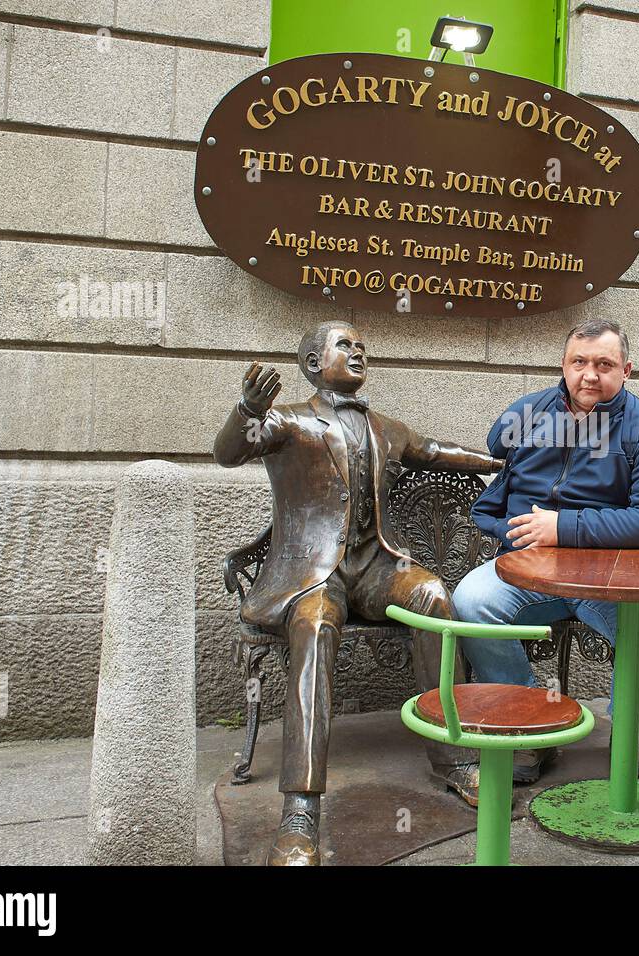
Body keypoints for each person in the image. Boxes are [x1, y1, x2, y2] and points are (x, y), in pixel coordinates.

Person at [213, 319, 504, 865]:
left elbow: (435, 451)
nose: (358, 353)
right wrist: (247, 411)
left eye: (362, 346)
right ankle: (300, 811)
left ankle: (454, 759)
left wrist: (499, 463)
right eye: (344, 345)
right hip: (311, 575)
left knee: (434, 598)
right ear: (313, 363)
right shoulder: (289, 421)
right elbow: (228, 453)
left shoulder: (385, 427)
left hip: (375, 568)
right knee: (315, 625)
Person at [451, 317, 639, 798]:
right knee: (470, 601)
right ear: (563, 365)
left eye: (604, 364)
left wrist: (563, 527)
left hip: (608, 577)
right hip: (529, 568)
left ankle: (635, 727)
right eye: (579, 362)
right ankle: (533, 720)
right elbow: (496, 444)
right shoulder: (534, 412)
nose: (589, 375)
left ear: (626, 370)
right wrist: (532, 410)